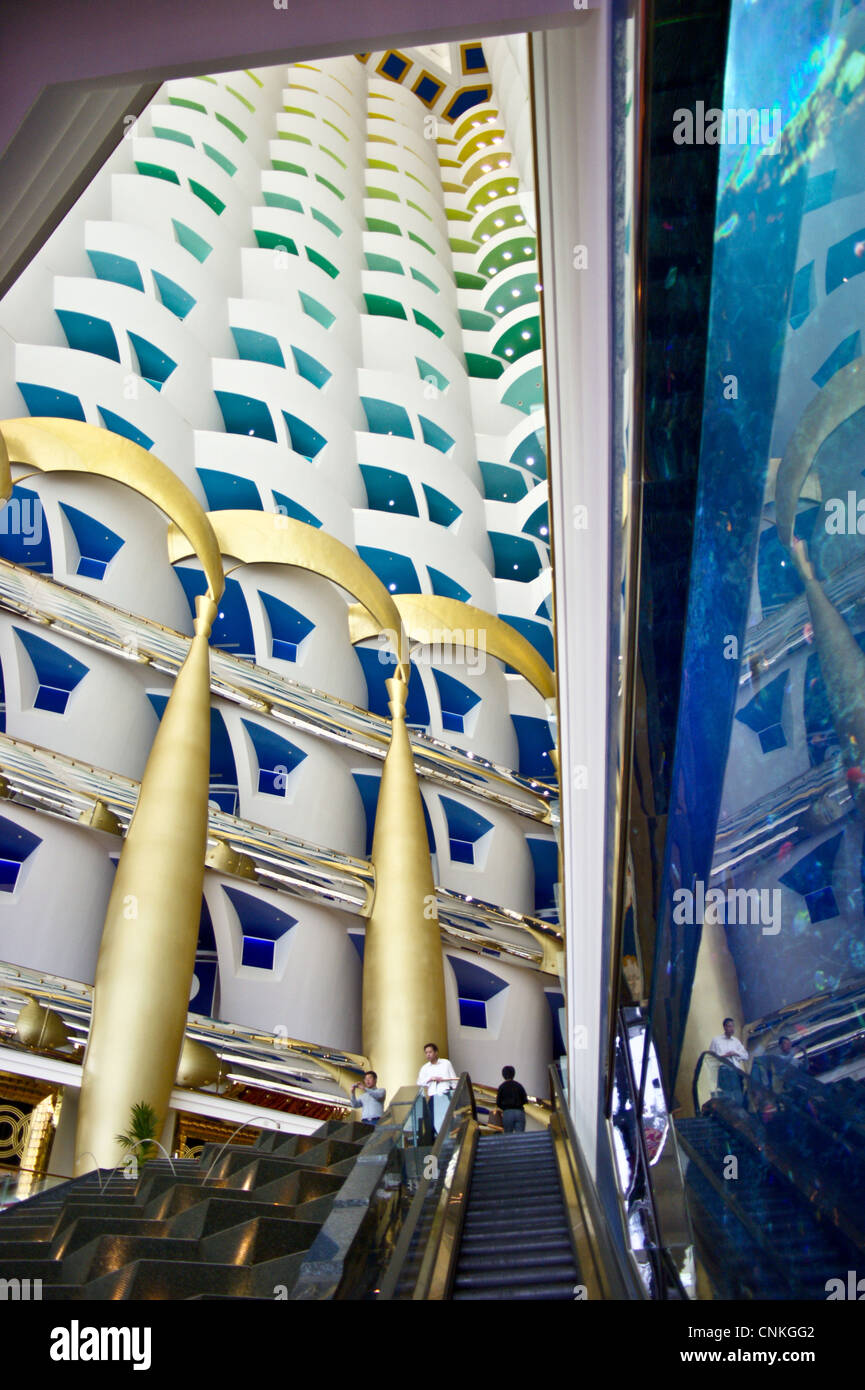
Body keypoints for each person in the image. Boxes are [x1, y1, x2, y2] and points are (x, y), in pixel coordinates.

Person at [417, 1042, 458, 1137]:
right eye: (426, 1052)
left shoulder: (446, 1063)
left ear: (436, 1052)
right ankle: (436, 1138)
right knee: (433, 1120)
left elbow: (454, 1080)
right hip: (433, 1096)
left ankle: (449, 1136)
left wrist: (455, 1095)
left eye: (430, 1052)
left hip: (446, 1094)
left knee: (448, 1119)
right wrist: (430, 1079)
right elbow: (419, 1082)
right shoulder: (425, 1068)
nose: (428, 1054)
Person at [709, 1017, 748, 1102]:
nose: (732, 1029)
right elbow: (710, 1058)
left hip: (735, 1070)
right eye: (729, 1026)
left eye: (733, 1026)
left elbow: (746, 1056)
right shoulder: (716, 1040)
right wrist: (722, 1057)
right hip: (723, 1070)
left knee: (738, 1095)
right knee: (727, 1096)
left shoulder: (736, 1041)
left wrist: (735, 1053)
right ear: (724, 1027)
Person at [496, 1065, 528, 1134]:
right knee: (520, 1135)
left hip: (507, 1112)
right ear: (513, 1074)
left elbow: (498, 1103)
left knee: (508, 1136)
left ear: (503, 1075)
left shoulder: (502, 1087)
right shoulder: (519, 1085)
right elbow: (525, 1100)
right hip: (519, 1112)